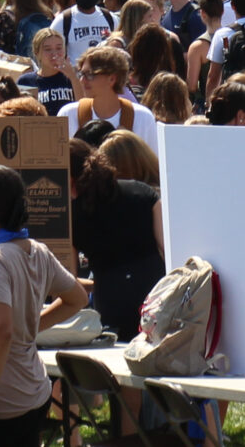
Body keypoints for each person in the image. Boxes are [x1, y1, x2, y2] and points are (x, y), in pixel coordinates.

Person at [0, 165, 87, 447]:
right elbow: (78, 298)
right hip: (35, 391)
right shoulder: (36, 249)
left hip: (2, 400)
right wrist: (30, 326)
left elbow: (2, 330)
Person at [71, 133, 164, 339]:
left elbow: (70, 282)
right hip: (155, 298)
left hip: (111, 306)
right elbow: (166, 249)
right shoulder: (143, 192)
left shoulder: (72, 215)